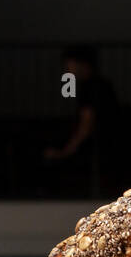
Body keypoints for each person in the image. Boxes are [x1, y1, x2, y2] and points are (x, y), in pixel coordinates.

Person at [43, 45, 120, 196]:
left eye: (69, 64)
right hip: (105, 148)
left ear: (82, 64)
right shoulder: (95, 85)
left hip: (99, 150)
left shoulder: (91, 87)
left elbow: (86, 124)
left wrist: (66, 152)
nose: (67, 69)